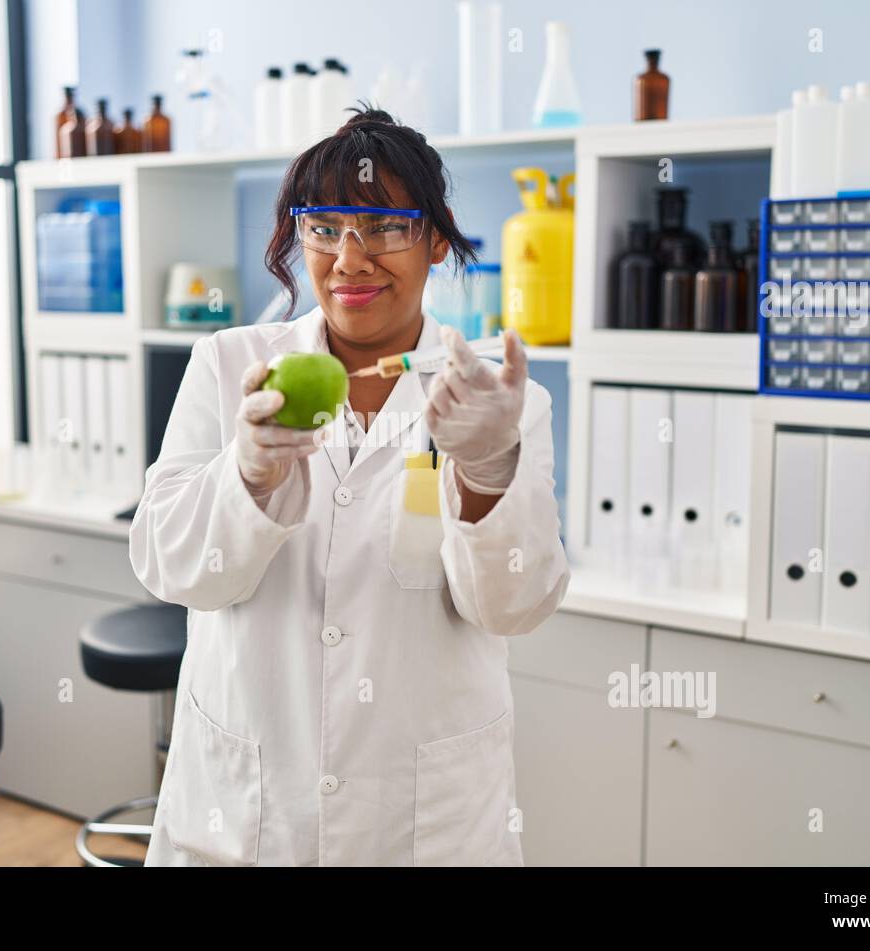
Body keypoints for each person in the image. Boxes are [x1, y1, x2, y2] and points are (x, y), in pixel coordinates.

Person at [129, 106, 570, 866]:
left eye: (385, 226)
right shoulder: (231, 367)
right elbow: (169, 566)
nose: (350, 258)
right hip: (248, 814)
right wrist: (250, 474)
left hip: (423, 824)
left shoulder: (500, 398)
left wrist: (489, 471)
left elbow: (515, 605)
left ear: (436, 238)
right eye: (324, 227)